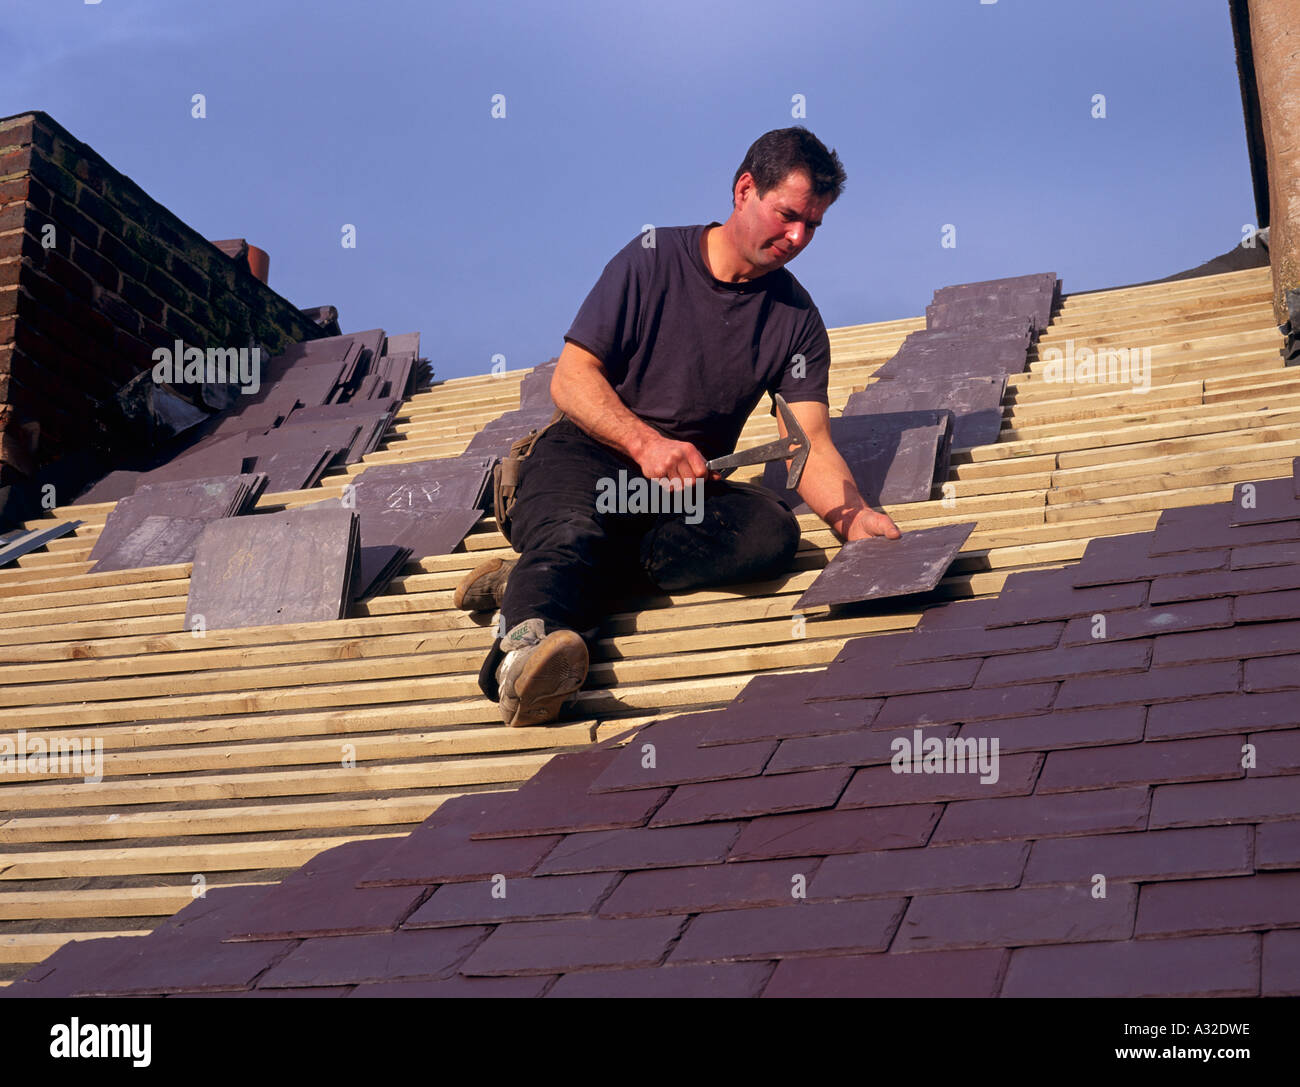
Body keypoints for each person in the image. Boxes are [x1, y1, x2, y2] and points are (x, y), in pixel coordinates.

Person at [456, 127, 901, 727]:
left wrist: (854, 519)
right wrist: (644, 442)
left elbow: (809, 443)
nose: (798, 238)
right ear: (745, 189)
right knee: (570, 532)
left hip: (683, 490)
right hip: (585, 458)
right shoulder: (652, 258)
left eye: (813, 226)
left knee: (770, 534)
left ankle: (541, 573)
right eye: (788, 215)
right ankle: (523, 661)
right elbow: (571, 378)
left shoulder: (796, 321)